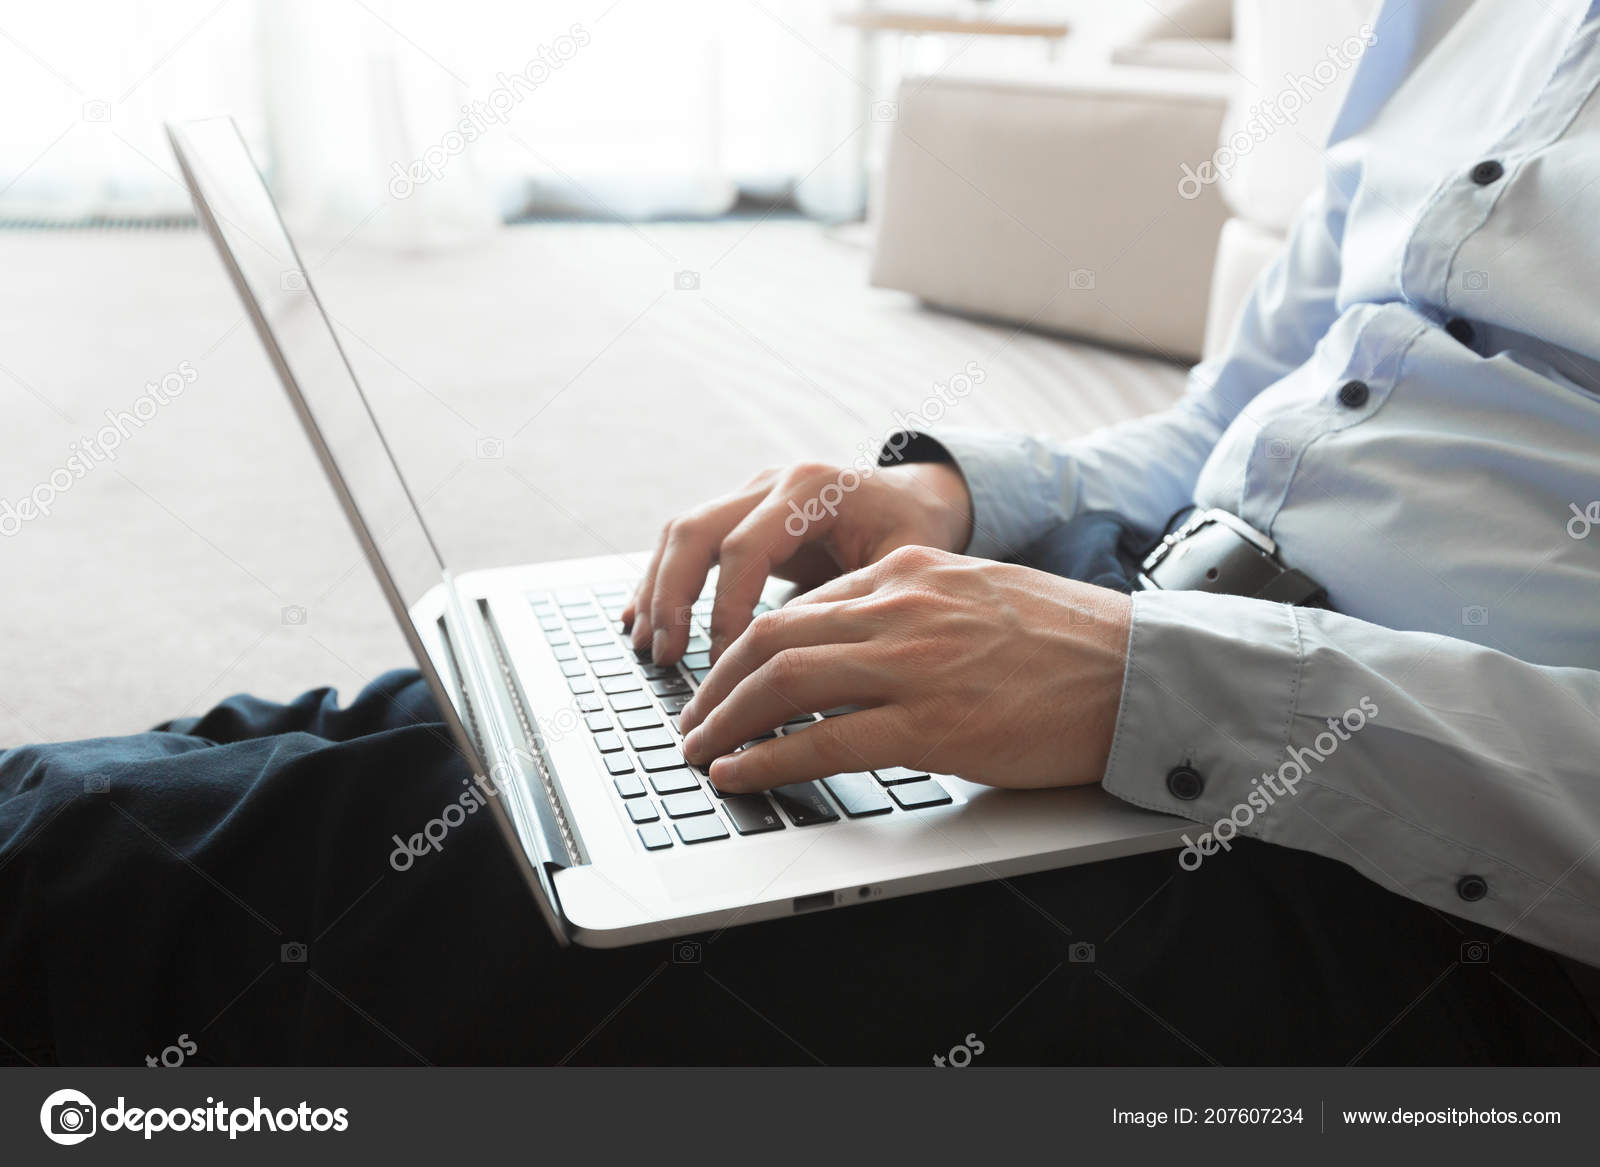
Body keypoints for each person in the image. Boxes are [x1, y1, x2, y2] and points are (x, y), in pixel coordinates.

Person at [2, 0, 1598, 1065]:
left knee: (187, 903)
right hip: (1151, 635)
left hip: (1430, 881)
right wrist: (946, 502)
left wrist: (1151, 685)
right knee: (356, 748)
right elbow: (1234, 423)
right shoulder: (1460, 26)